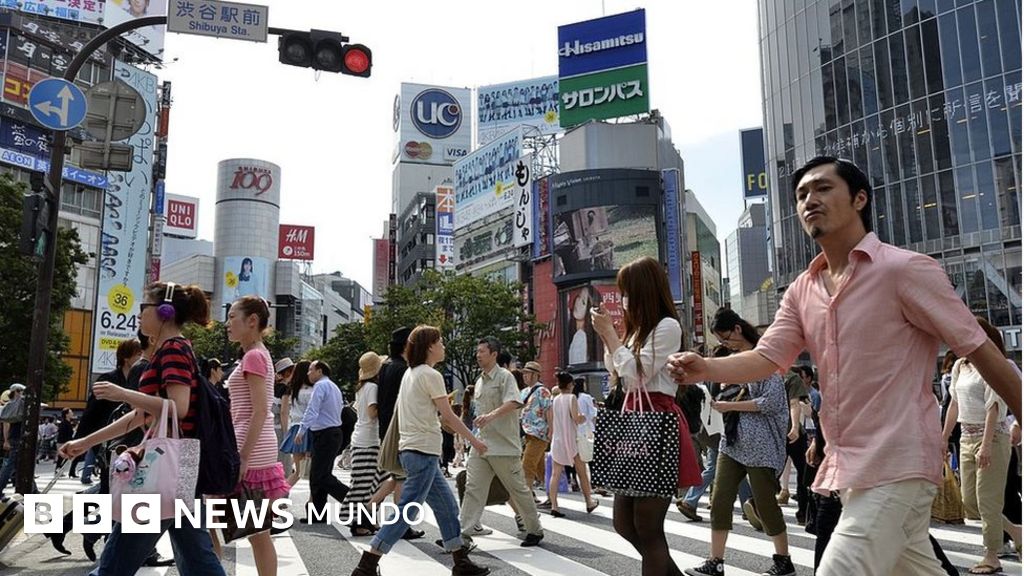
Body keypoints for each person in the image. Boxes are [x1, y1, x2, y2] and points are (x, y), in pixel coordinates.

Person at [669, 156, 1022, 576]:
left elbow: (981, 350)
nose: (809, 201)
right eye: (801, 195)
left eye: (822, 188)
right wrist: (705, 367)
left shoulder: (904, 270)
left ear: (859, 199)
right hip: (849, 470)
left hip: (898, 463)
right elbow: (768, 357)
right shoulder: (803, 289)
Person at [58, 282, 225, 576]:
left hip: (164, 467)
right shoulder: (171, 350)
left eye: (143, 308)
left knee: (113, 567)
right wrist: (86, 440)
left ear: (164, 311)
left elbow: (178, 406)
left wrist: (122, 393)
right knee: (200, 565)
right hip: (175, 468)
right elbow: (143, 415)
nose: (138, 315)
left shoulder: (173, 349)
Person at [349, 326, 492, 576]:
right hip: (422, 451)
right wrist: (475, 441)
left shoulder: (411, 373)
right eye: (440, 342)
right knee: (408, 510)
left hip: (414, 450)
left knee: (447, 506)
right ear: (429, 347)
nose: (444, 346)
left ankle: (460, 562)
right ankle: (367, 563)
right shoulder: (430, 375)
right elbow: (448, 416)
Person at [591, 256, 702, 576]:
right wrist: (608, 337)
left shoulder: (668, 326)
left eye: (626, 291)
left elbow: (638, 373)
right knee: (624, 523)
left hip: (655, 420)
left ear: (642, 292)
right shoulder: (636, 331)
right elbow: (617, 374)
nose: (623, 299)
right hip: (633, 419)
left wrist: (611, 336)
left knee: (648, 526)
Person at [684, 308, 795, 576]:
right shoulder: (731, 363)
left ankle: (784, 561)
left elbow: (771, 402)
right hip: (732, 443)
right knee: (720, 500)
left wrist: (731, 405)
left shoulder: (764, 358)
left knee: (766, 506)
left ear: (737, 329)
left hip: (761, 446)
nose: (726, 345)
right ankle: (715, 561)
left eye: (726, 338)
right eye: (720, 342)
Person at [941, 318, 1021, 574]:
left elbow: (993, 406)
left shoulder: (994, 363)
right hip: (965, 438)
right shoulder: (960, 366)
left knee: (988, 501)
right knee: (970, 502)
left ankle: (992, 556)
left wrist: (986, 444)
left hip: (993, 437)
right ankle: (1016, 532)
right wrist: (943, 438)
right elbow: (954, 404)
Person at [225, 296, 291, 576]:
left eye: (231, 317)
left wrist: (242, 456)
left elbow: (261, 411)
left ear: (252, 321)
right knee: (257, 531)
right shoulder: (258, 353)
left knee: (209, 524)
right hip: (256, 445)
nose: (227, 324)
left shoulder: (253, 355)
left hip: (248, 447)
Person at [458, 337, 544, 547]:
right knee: (473, 488)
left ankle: (534, 529)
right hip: (482, 444)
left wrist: (490, 416)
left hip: (504, 446)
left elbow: (515, 402)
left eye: (482, 352)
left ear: (494, 354)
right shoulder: (478, 381)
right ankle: (462, 534)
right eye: (477, 351)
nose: (478, 355)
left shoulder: (505, 377)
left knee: (518, 490)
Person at [375, 326, 423, 540]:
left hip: (386, 428)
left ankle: (367, 509)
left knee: (397, 476)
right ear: (407, 346)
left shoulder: (386, 367)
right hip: (400, 429)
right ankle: (401, 525)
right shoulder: (404, 370)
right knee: (403, 478)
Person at [78, 338, 142, 485]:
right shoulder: (108, 379)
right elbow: (91, 413)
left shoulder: (140, 379)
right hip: (109, 442)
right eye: (138, 354)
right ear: (126, 357)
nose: (142, 358)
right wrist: (82, 441)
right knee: (109, 484)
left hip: (132, 441)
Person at [296, 360, 350, 522]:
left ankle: (353, 501)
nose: (308, 373)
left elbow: (312, 409)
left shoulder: (320, 386)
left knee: (321, 475)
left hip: (325, 434)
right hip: (331, 433)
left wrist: (302, 429)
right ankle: (317, 514)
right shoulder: (333, 386)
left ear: (319, 371)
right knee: (317, 474)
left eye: (311, 370)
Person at [345, 352, 388, 537]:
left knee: (372, 483)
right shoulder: (372, 388)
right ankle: (359, 523)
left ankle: (369, 521)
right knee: (367, 486)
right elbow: (372, 413)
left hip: (362, 439)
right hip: (368, 442)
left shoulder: (361, 388)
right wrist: (388, 407)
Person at [546, 371, 598, 517]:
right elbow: (576, 418)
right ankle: (589, 501)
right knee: (581, 472)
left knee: (555, 474)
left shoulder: (555, 399)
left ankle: (554, 505)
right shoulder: (572, 398)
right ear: (570, 384)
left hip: (558, 439)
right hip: (572, 439)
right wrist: (582, 417)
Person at [519, 361, 552, 493]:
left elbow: (549, 410)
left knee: (527, 465)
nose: (524, 376)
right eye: (524, 373)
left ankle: (528, 496)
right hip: (526, 433)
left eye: (527, 373)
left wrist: (551, 430)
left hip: (539, 432)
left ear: (535, 375)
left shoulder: (543, 391)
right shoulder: (523, 392)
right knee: (539, 469)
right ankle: (550, 495)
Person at [279, 360, 313, 486]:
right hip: (309, 429)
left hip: (294, 428)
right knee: (312, 471)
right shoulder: (312, 390)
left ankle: (276, 498)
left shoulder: (292, 389)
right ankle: (313, 501)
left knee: (298, 472)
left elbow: (284, 411)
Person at [0, 383, 26, 495]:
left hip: (14, 436)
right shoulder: (17, 404)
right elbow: (6, 425)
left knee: (18, 464)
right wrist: (6, 440)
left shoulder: (12, 405)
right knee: (11, 464)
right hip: (16, 437)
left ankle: (31, 488)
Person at [273, 358, 295, 478]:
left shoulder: (271, 388)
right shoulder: (286, 390)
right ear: (288, 373)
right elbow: (283, 413)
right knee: (284, 467)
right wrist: (287, 434)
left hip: (269, 430)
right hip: (280, 430)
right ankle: (280, 495)